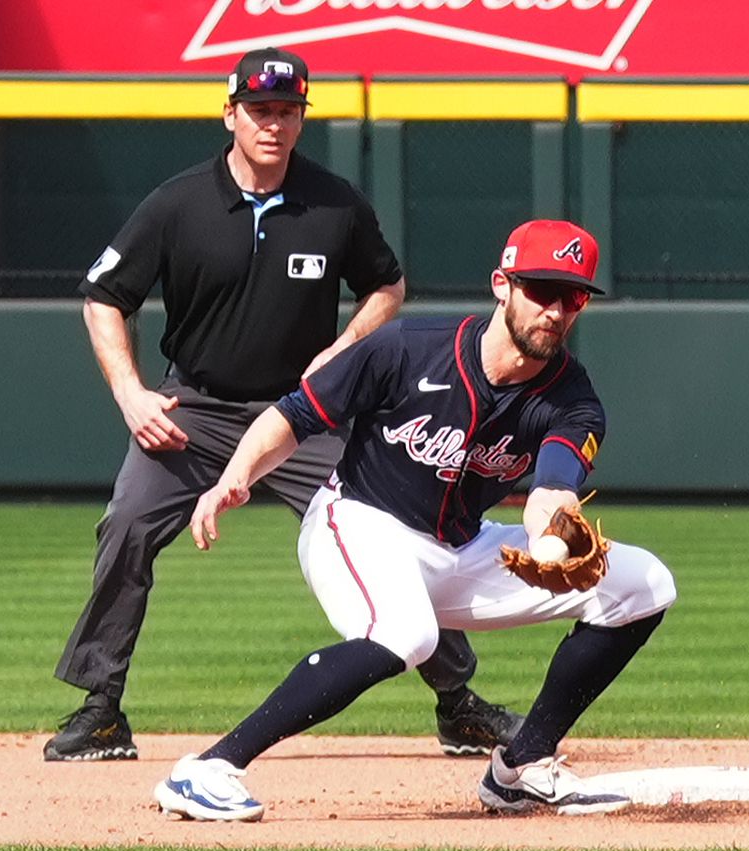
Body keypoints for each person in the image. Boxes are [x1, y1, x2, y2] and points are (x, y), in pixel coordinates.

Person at [50, 47, 521, 762]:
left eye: (288, 111)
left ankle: (457, 703)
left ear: (302, 118)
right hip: (195, 411)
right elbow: (102, 299)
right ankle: (100, 708)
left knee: (396, 530)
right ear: (230, 113)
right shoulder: (179, 203)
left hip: (306, 414)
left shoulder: (333, 205)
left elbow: (386, 287)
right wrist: (130, 392)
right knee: (127, 526)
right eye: (261, 109)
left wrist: (347, 346)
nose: (274, 123)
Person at [151, 218, 676, 822]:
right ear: (502, 285)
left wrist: (549, 539)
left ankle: (521, 768)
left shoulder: (571, 397)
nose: (555, 311)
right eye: (540, 289)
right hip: (357, 521)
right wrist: (233, 477)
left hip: (460, 547)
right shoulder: (408, 347)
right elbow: (296, 413)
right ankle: (210, 768)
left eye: (573, 296)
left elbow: (551, 489)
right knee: (407, 636)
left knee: (645, 583)